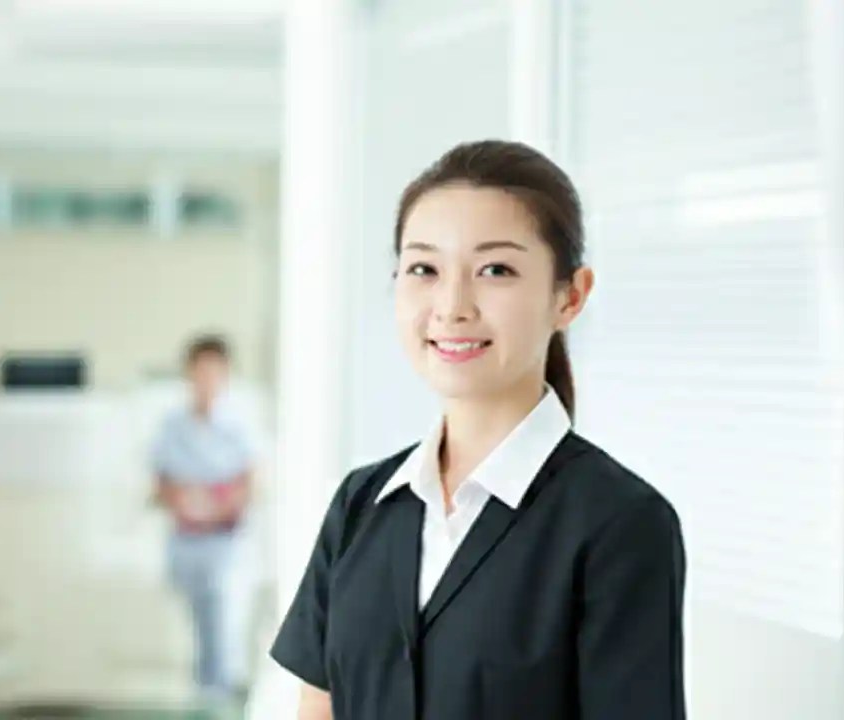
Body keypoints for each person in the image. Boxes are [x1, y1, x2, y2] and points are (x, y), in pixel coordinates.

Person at [270, 140, 686, 719]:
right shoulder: (361, 506)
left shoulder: (620, 523)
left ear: (570, 296)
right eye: (424, 268)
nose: (452, 305)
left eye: (495, 269)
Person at [152, 335, 257, 707]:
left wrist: (214, 506)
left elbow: (249, 481)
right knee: (196, 628)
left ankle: (223, 696)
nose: (206, 378)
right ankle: (203, 697)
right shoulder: (172, 425)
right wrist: (184, 500)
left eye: (214, 371)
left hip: (225, 540)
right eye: (200, 370)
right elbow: (161, 482)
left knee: (224, 626)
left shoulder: (240, 424)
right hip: (186, 540)